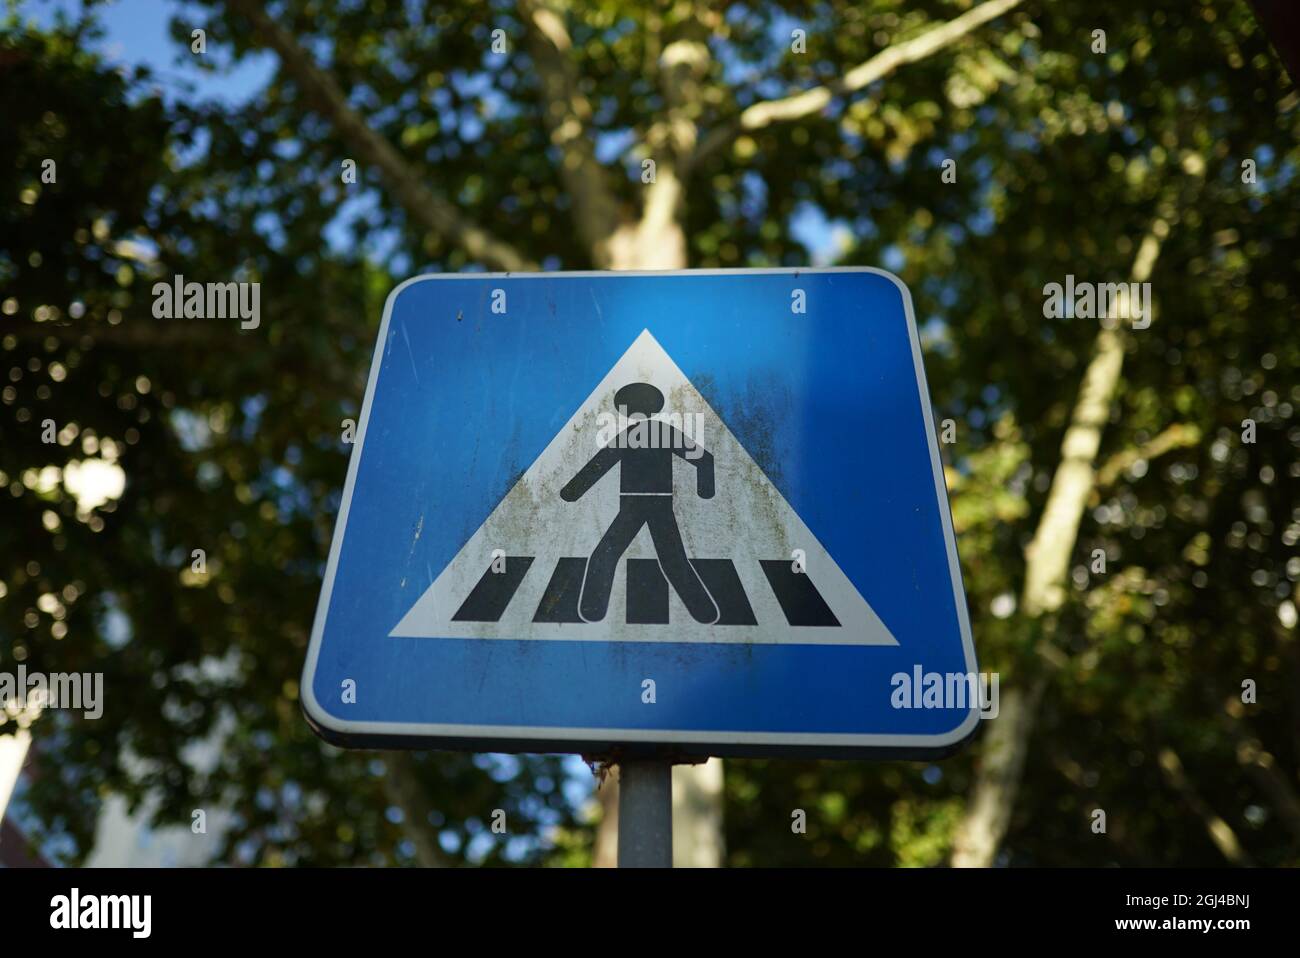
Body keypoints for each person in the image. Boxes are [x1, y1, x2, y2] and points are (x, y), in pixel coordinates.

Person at [560, 382, 719, 624]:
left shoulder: (633, 434)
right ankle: (704, 611)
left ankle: (593, 608)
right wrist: (704, 491)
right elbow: (705, 460)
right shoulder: (662, 431)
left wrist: (571, 492)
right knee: (672, 561)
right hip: (653, 505)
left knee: (605, 554)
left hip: (636, 505)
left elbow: (599, 465)